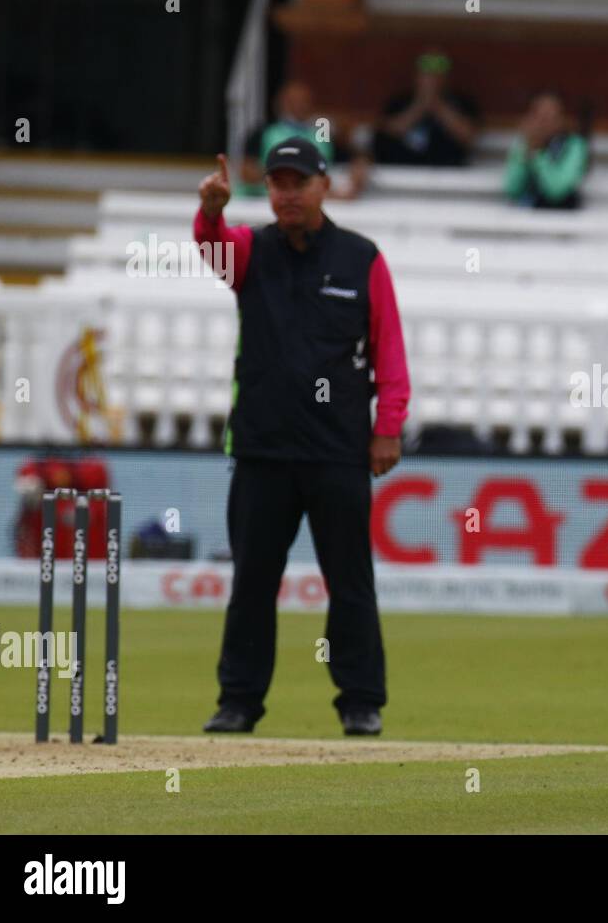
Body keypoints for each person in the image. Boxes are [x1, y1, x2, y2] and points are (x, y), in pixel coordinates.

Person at [193, 137, 410, 736]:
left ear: (324, 186)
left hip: (338, 450)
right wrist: (211, 212)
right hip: (263, 448)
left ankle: (361, 701)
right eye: (276, 182)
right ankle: (238, 701)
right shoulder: (251, 250)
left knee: (350, 584)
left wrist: (388, 426)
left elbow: (390, 352)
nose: (286, 193)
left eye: (297, 182)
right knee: (252, 584)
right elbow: (213, 250)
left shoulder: (362, 258)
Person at [239, 81, 369, 200]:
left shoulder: (320, 133)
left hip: (315, 201)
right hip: (266, 201)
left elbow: (348, 158)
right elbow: (247, 173)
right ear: (281, 103)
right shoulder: (264, 132)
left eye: (305, 101)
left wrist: (358, 167)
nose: (301, 105)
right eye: (294, 101)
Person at [373, 51, 479, 167]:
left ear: (447, 76)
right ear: (416, 75)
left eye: (438, 72)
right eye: (426, 72)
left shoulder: (462, 103)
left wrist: (437, 105)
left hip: (450, 174)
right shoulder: (399, 102)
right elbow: (388, 132)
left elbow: (468, 136)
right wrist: (420, 106)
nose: (432, 77)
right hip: (403, 171)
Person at [503, 89, 589, 209]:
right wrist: (525, 152)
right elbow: (512, 189)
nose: (543, 121)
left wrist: (537, 154)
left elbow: (557, 190)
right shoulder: (524, 142)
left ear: (562, 118)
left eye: (550, 114)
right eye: (538, 114)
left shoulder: (575, 145)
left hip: (562, 218)